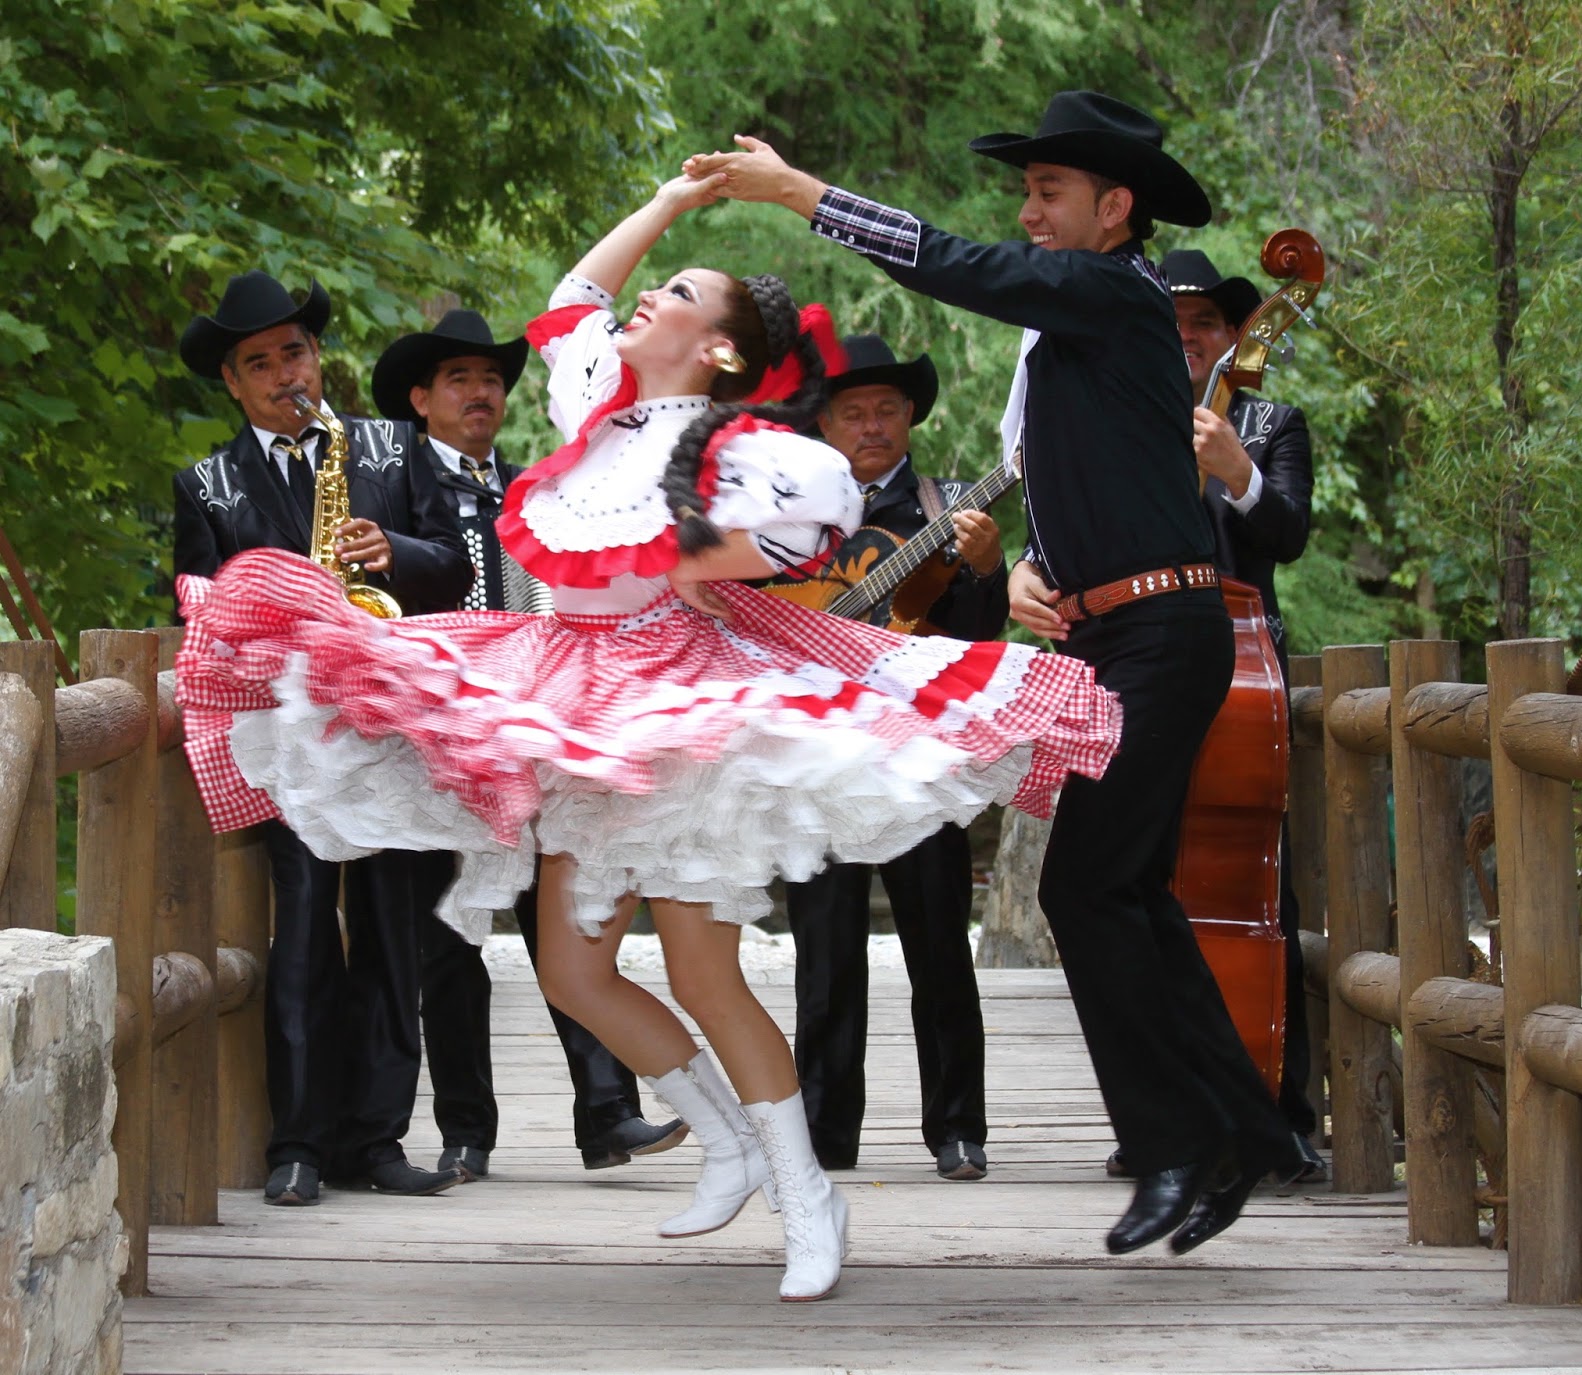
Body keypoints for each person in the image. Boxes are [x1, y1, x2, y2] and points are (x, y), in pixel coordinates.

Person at [172, 175, 1121, 1300]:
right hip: (580, 695)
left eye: (673, 293)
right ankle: (721, 1140)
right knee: (571, 966)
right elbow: (576, 294)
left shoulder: (728, 446)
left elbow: (806, 532)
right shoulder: (596, 407)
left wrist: (686, 559)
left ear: (716, 349)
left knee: (701, 967)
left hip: (680, 702)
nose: (643, 298)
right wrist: (666, 208)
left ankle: (807, 1194)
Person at [688, 88, 1302, 1256]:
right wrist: (1035, 567)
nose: (1027, 211)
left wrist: (799, 194)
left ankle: (1180, 1145)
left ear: (1114, 209)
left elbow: (946, 261)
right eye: (1024, 190)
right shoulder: (1079, 330)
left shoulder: (1109, 292)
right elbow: (1087, 476)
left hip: (1167, 635)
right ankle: (1241, 1130)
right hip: (1126, 631)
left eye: (1048, 191)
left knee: (1086, 887)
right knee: (1126, 890)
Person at [172, 270, 473, 1205]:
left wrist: (397, 554)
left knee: (391, 928)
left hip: (384, 724)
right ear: (231, 381)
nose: (280, 373)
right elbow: (193, 602)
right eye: (257, 362)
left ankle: (376, 1138)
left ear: (316, 355)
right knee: (300, 931)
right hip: (287, 731)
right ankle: (296, 1142)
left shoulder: (389, 447)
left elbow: (455, 565)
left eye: (293, 352)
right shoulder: (205, 483)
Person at [368, 310, 687, 1178]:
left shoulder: (533, 485)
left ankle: (607, 1112)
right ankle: (468, 1132)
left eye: (493, 379)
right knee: (450, 937)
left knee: (564, 922)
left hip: (533, 737)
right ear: (420, 398)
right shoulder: (390, 490)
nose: (483, 394)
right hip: (434, 739)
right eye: (461, 380)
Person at [779, 334, 1005, 1180]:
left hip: (918, 755)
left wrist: (983, 568)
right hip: (823, 754)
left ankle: (957, 1128)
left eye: (885, 410)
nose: (871, 425)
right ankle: (825, 1131)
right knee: (824, 943)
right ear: (826, 421)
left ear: (910, 416)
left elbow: (984, 636)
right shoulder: (794, 516)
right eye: (853, 411)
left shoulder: (948, 506)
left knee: (938, 939)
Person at [1165, 248, 1323, 1184]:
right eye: (1172, 325)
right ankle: (1168, 1115)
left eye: (1205, 326)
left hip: (1242, 661)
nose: (1188, 341)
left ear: (1235, 335)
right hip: (1149, 658)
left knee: (1268, 893)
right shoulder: (1125, 415)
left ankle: (1281, 1110)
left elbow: (1289, 535)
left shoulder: (1272, 422)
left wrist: (1239, 474)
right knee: (1148, 891)